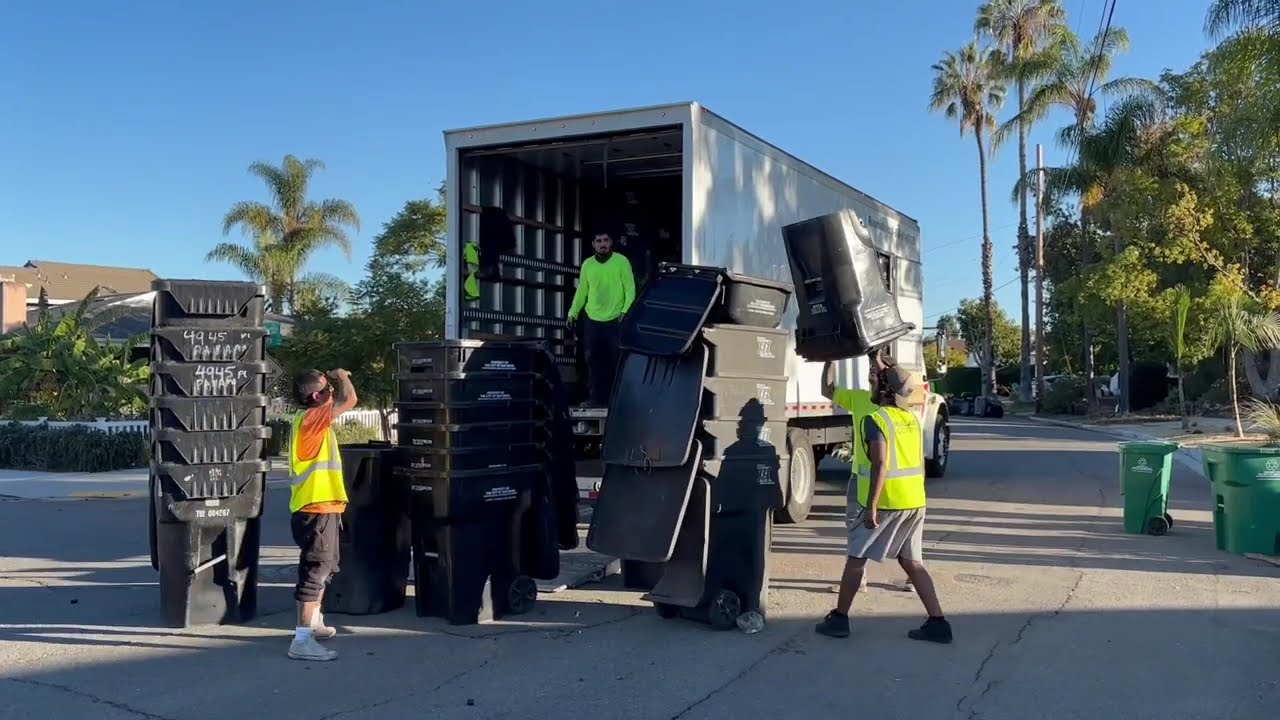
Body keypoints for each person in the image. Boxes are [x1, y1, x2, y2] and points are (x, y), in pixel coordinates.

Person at [814, 352, 952, 644]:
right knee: (912, 562)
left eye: (874, 379)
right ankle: (939, 623)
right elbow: (917, 463)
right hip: (915, 501)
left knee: (856, 558)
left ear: (884, 389)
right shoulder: (911, 419)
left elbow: (881, 464)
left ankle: (839, 619)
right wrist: (874, 359)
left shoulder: (877, 419)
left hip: (886, 500)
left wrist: (872, 506)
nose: (870, 381)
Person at [286, 368, 358, 661]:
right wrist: (343, 377)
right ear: (317, 396)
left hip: (319, 509)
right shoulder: (314, 419)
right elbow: (350, 400)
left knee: (325, 567)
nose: (331, 390)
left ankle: (313, 622)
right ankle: (301, 641)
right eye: (326, 387)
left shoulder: (310, 421)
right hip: (315, 510)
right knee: (315, 572)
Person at [567, 231, 635, 406]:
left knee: (618, 361)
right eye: (599, 241)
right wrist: (573, 313)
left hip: (616, 319)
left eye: (605, 240)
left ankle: (620, 400)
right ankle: (595, 399)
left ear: (611, 242)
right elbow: (582, 291)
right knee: (593, 362)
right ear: (593, 244)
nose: (602, 244)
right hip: (593, 320)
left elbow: (630, 289)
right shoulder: (588, 265)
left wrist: (625, 312)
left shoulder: (621, 262)